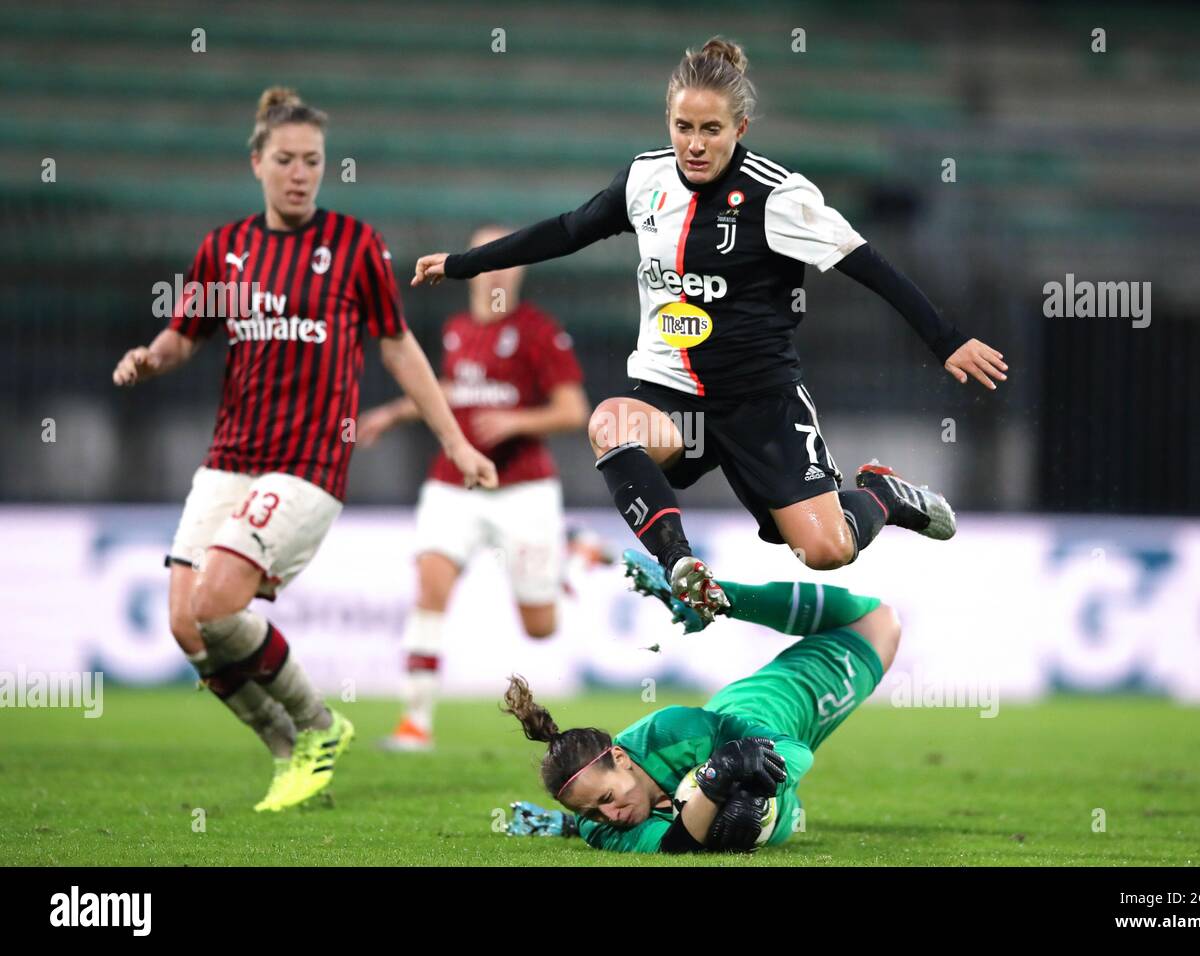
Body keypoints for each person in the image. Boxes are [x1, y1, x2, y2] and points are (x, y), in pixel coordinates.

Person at [410, 37, 1009, 623]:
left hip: (760, 399)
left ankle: (883, 494)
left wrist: (946, 339)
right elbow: (567, 230)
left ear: (740, 129)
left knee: (825, 552)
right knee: (610, 424)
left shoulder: (779, 196)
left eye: (711, 130)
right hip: (674, 394)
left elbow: (869, 265)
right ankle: (680, 564)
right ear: (667, 121)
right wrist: (465, 263)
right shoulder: (645, 181)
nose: (694, 145)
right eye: (683, 127)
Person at [111, 87, 496, 810]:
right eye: (285, 159)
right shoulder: (223, 249)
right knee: (184, 622)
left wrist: (457, 440)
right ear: (256, 162)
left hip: (310, 461)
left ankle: (319, 724)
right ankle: (284, 747)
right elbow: (184, 335)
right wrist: (149, 358)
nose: (300, 174)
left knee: (219, 603)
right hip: (230, 454)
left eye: (312, 161)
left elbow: (400, 347)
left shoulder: (354, 246)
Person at [357, 226, 590, 751]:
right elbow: (445, 392)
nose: (500, 269)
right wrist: (393, 414)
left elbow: (574, 410)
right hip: (454, 483)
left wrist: (514, 422)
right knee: (430, 587)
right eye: (489, 258)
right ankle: (415, 723)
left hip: (523, 490)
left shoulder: (537, 330)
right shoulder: (457, 329)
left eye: (509, 260)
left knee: (540, 627)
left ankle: (560, 560)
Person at [501, 551, 899, 853]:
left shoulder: (670, 730)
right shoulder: (599, 829)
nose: (610, 817)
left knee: (879, 622)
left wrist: (738, 771)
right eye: (589, 813)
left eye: (606, 799)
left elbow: (797, 754)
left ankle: (720, 598)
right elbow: (676, 848)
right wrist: (716, 782)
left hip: (778, 703)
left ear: (621, 758)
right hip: (727, 718)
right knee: (766, 818)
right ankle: (712, 599)